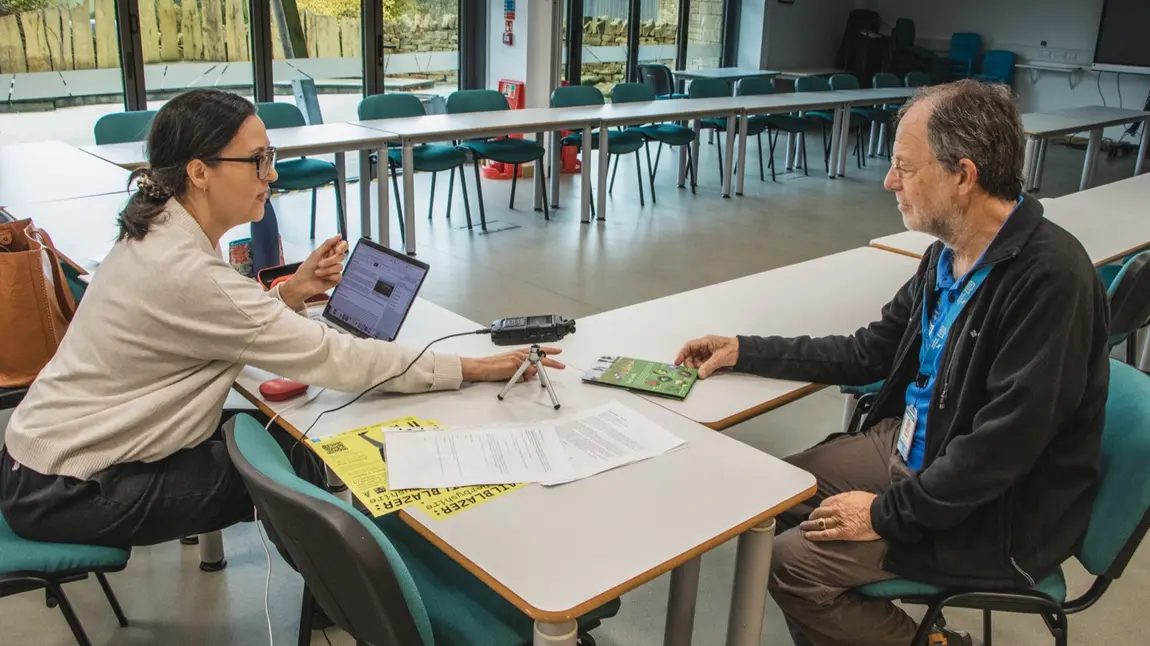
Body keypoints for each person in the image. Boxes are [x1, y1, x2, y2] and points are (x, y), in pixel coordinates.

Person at [0, 89, 563, 548]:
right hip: (72, 489)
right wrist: (471, 366)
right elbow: (334, 357)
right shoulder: (185, 269)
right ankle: (351, 597)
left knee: (273, 438)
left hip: (43, 462)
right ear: (199, 171)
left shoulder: (160, 232)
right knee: (299, 468)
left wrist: (290, 294)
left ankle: (336, 591)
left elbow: (218, 323)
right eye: (257, 160)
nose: (270, 174)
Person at [676, 80, 1109, 646]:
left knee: (791, 563)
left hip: (997, 512)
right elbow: (869, 351)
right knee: (773, 492)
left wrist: (882, 514)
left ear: (963, 175)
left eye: (904, 167)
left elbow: (999, 452)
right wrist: (745, 348)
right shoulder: (948, 254)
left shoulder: (1051, 280)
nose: (888, 182)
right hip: (918, 450)